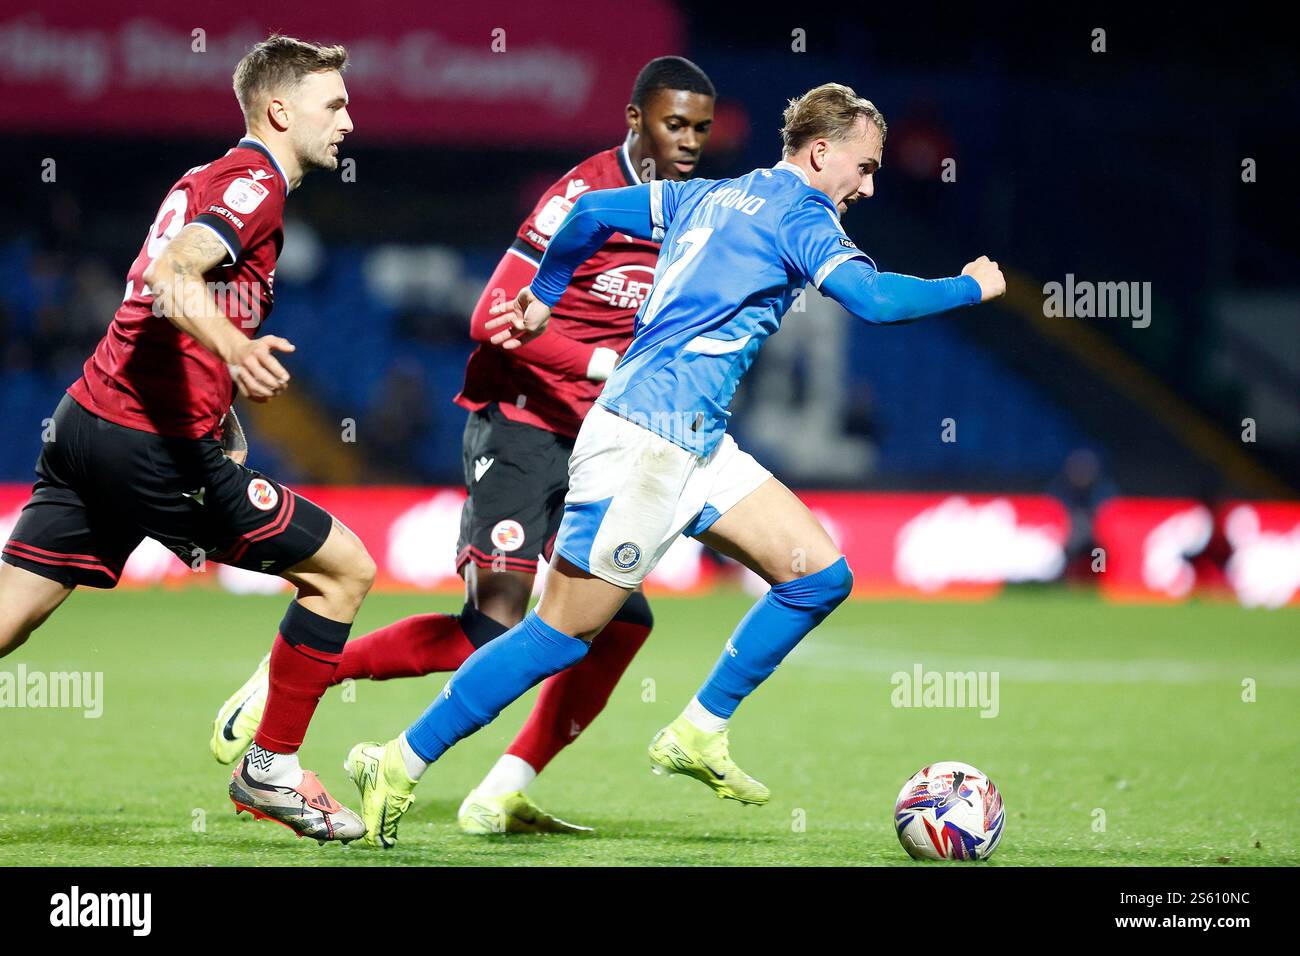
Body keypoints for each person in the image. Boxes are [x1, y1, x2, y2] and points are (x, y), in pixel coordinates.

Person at [341, 81, 1006, 849]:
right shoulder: (802, 215)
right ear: (821, 152)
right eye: (865, 165)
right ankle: (397, 758)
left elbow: (589, 213)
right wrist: (972, 285)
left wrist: (546, 295)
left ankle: (698, 730)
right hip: (645, 444)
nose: (869, 183)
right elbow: (875, 300)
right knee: (558, 636)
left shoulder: (712, 195)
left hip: (695, 442)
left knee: (819, 574)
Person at [210, 56, 717, 835]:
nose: (687, 141)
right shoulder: (582, 199)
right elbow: (489, 318)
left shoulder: (687, 213)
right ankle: (293, 676)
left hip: (598, 445)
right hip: (521, 424)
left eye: (700, 129)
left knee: (624, 622)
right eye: (673, 124)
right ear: (633, 117)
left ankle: (504, 789)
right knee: (494, 624)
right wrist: (602, 363)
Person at [0, 35, 371, 843]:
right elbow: (173, 277)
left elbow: (156, 308)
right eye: (334, 104)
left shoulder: (206, 176)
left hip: (86, 421)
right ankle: (269, 768)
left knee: (11, 611)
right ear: (280, 110)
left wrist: (221, 400)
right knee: (345, 568)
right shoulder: (255, 186)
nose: (349, 120)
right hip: (150, 449)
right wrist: (236, 352)